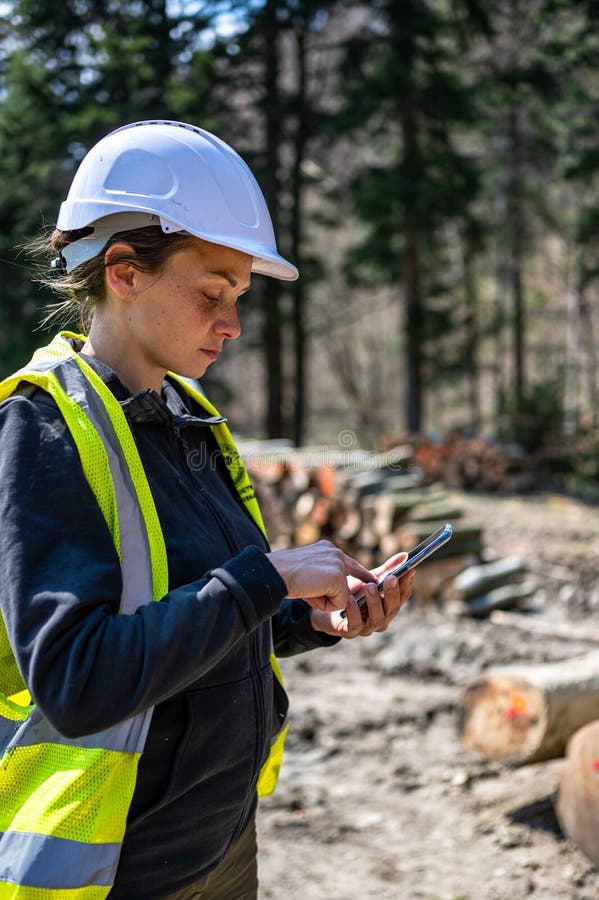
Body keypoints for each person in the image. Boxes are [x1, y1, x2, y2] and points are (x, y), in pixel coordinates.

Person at [0, 120, 414, 899]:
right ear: (123, 272)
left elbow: (196, 611)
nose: (231, 323)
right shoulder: (43, 430)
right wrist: (267, 577)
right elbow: (77, 678)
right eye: (211, 294)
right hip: (115, 867)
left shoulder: (190, 419)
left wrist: (307, 618)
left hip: (219, 842)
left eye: (239, 298)